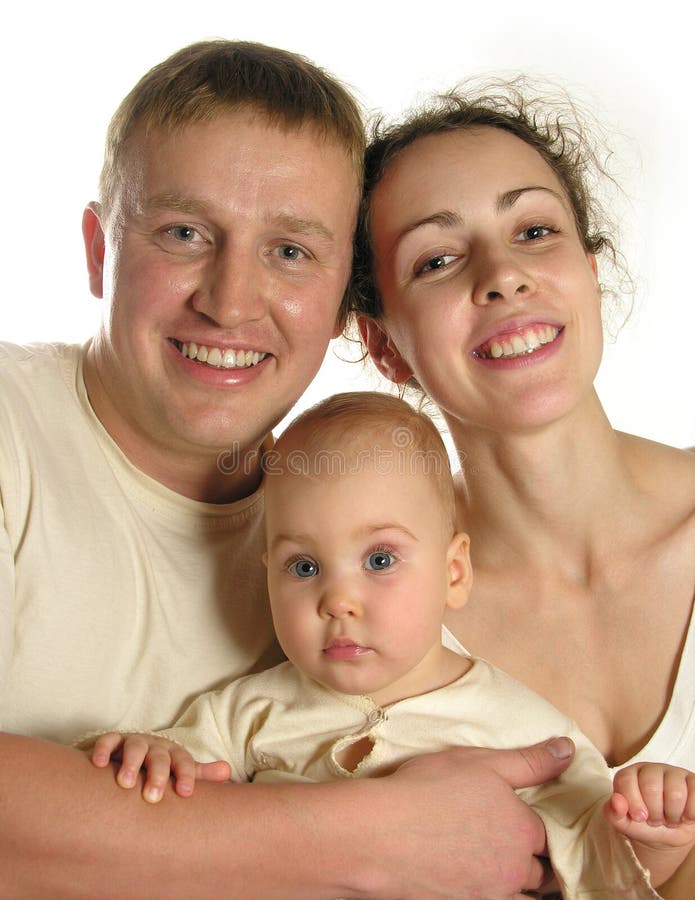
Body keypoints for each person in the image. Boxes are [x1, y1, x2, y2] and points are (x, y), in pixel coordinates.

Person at [0, 45, 574, 899]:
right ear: (97, 249)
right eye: (184, 234)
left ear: (346, 294)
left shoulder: (347, 528)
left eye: (291, 251)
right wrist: (360, 838)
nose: (230, 302)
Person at [85, 391, 692, 895]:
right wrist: (154, 754)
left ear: (453, 573)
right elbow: (171, 790)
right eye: (302, 567)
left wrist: (648, 832)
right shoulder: (245, 713)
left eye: (379, 559)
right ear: (266, 573)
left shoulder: (526, 732)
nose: (338, 599)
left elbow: (597, 866)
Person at [352, 79, 695, 897]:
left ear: (589, 270)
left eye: (533, 231)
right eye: (436, 259)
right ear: (386, 347)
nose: (502, 276)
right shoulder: (366, 608)